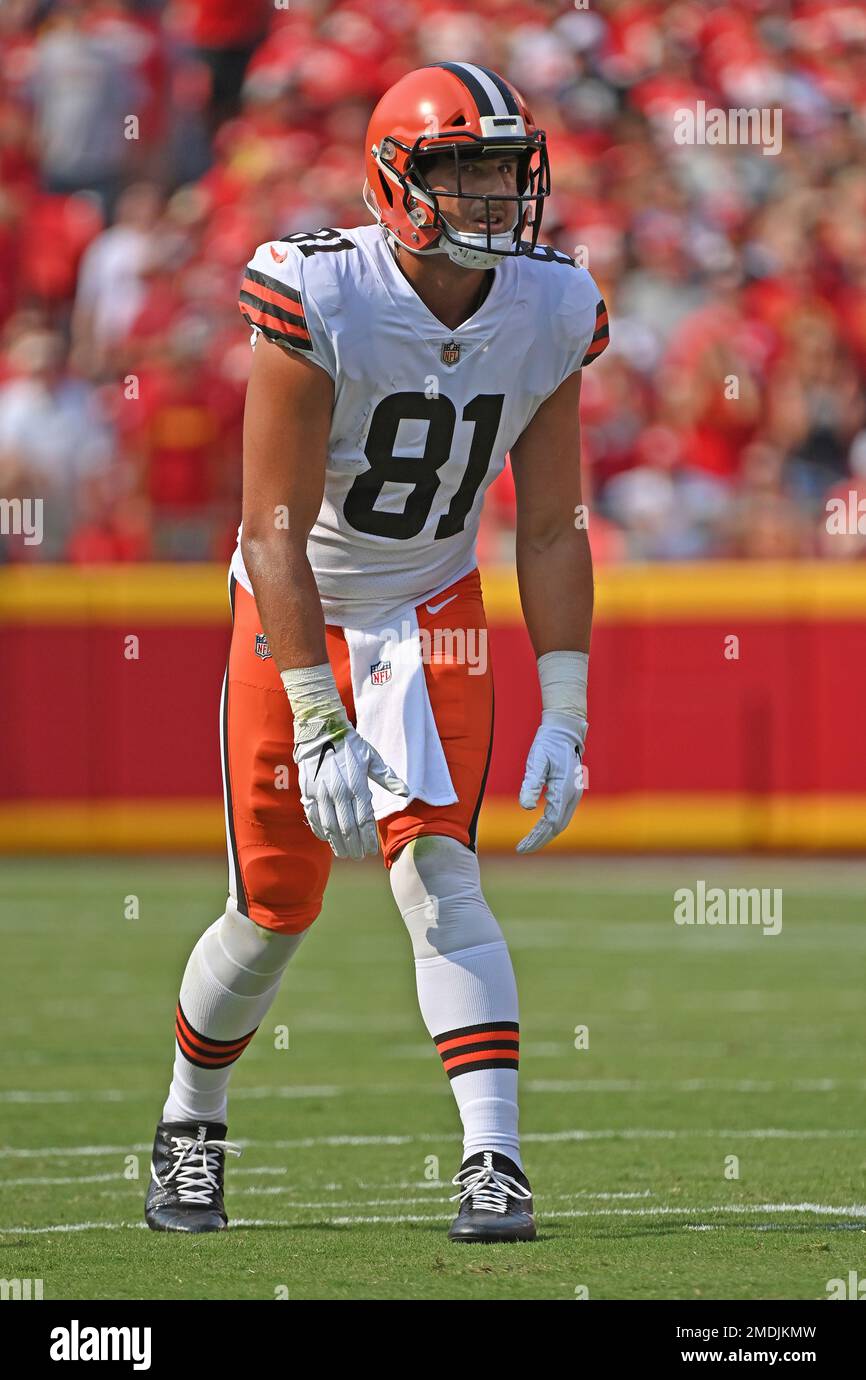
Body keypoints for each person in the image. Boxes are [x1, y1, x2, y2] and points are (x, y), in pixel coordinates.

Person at [145, 61, 609, 1244]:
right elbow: (271, 526)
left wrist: (566, 706)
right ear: (399, 182)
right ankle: (190, 1119)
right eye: (464, 168)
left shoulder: (547, 304)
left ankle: (491, 1159)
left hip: (434, 607)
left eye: (505, 167)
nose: (496, 193)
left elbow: (550, 523)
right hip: (297, 605)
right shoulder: (324, 294)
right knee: (272, 911)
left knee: (437, 875)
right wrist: (315, 709)